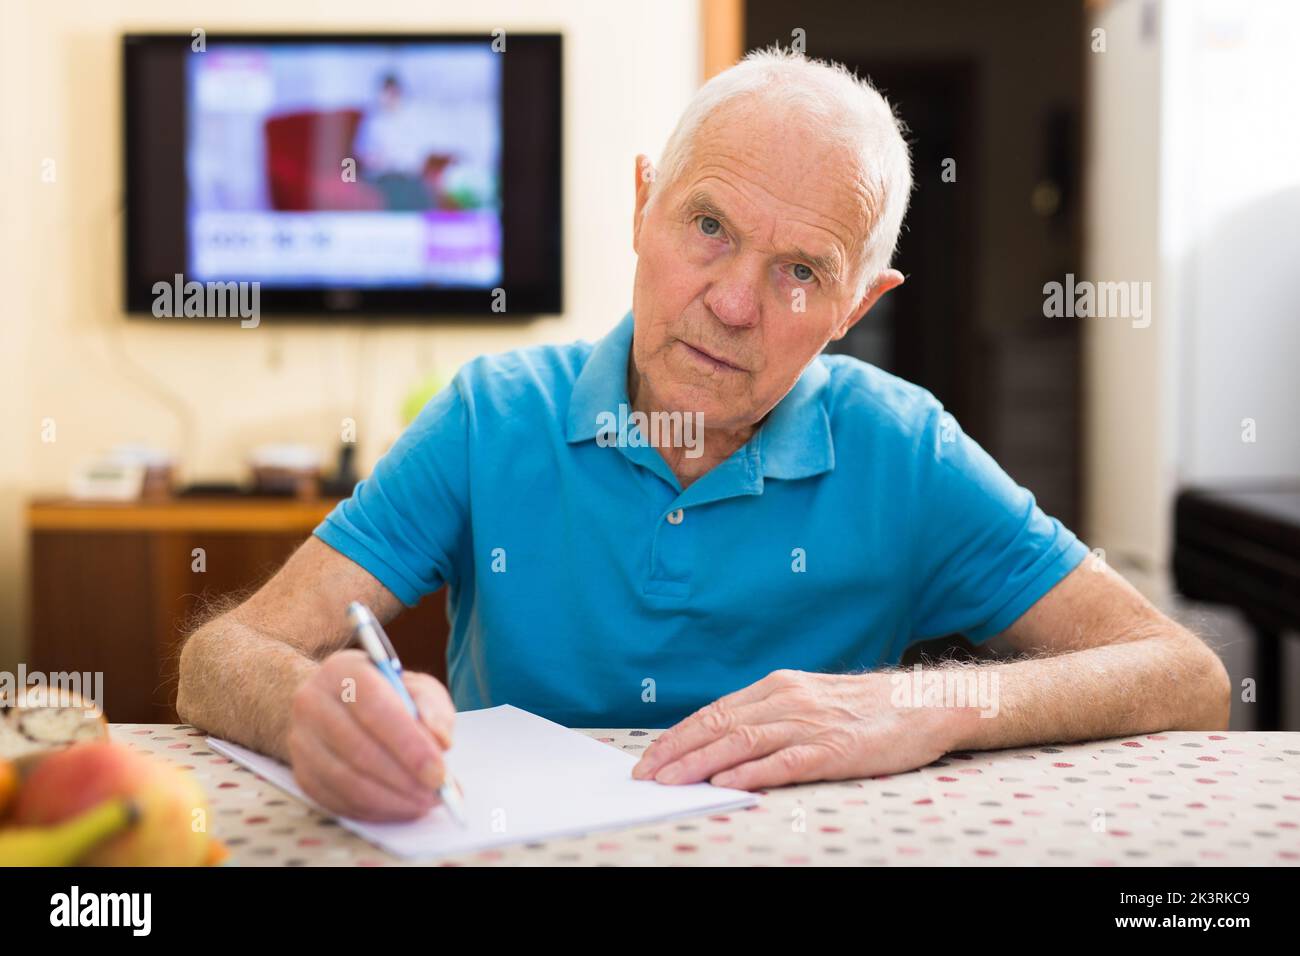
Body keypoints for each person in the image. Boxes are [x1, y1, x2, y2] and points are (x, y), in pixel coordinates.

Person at [178, 48, 1229, 822]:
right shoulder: (490, 413)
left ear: (857, 305)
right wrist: (309, 705)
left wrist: (926, 700)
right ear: (644, 205)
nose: (733, 303)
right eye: (710, 226)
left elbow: (1181, 673)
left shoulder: (904, 449)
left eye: (801, 270)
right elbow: (221, 657)